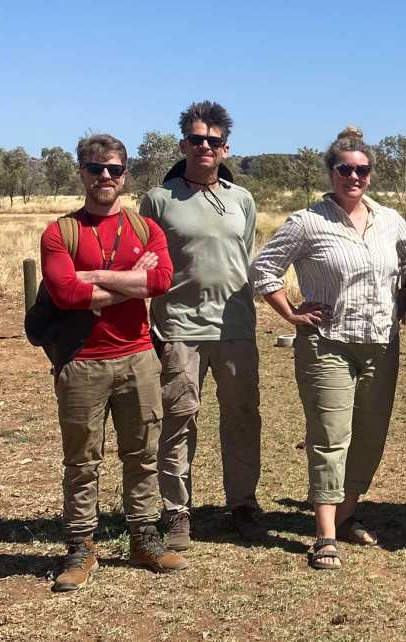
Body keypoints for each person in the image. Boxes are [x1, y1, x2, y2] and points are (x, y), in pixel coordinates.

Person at [250, 127, 406, 570]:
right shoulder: (308, 221)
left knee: (371, 437)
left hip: (381, 346)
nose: (354, 176)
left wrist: (399, 304)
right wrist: (291, 314)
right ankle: (325, 535)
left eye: (362, 169)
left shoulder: (389, 220)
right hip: (328, 346)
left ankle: (346, 515)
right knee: (329, 439)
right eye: (345, 169)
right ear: (331, 172)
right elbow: (264, 269)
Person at [42, 134, 186, 592]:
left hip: (139, 356)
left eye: (115, 169)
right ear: (81, 172)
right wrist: (131, 281)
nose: (106, 176)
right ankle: (81, 546)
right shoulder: (60, 231)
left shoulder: (146, 228)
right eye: (96, 168)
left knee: (142, 454)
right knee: (82, 461)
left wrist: (98, 278)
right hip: (82, 362)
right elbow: (65, 294)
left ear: (126, 174)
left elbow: (161, 280)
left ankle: (143, 538)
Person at [139, 101, 262, 550]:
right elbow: (146, 262)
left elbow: (242, 255)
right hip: (179, 328)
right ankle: (176, 512)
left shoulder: (242, 200)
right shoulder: (160, 198)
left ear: (225, 148)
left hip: (236, 326)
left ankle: (243, 503)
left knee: (243, 418)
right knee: (178, 420)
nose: (204, 147)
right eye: (196, 139)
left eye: (213, 141)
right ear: (183, 144)